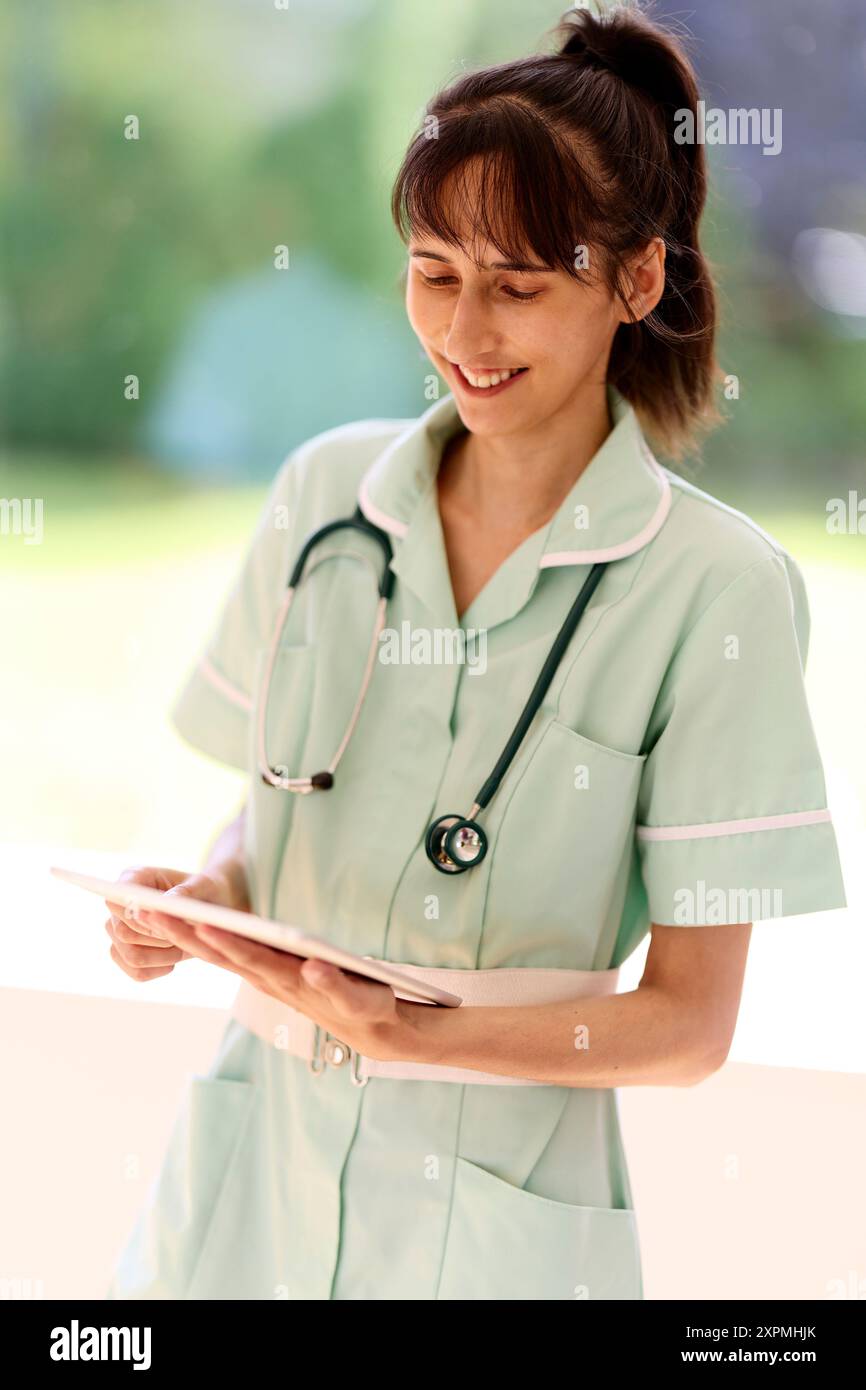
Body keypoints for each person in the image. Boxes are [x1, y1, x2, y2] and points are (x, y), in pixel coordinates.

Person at [104, 4, 846, 1301]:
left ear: (634, 280)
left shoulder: (714, 593)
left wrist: (424, 1031)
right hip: (246, 1181)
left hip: (491, 1226)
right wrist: (208, 901)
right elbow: (271, 810)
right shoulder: (322, 498)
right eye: (432, 270)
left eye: (517, 285)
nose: (463, 331)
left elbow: (685, 1026)